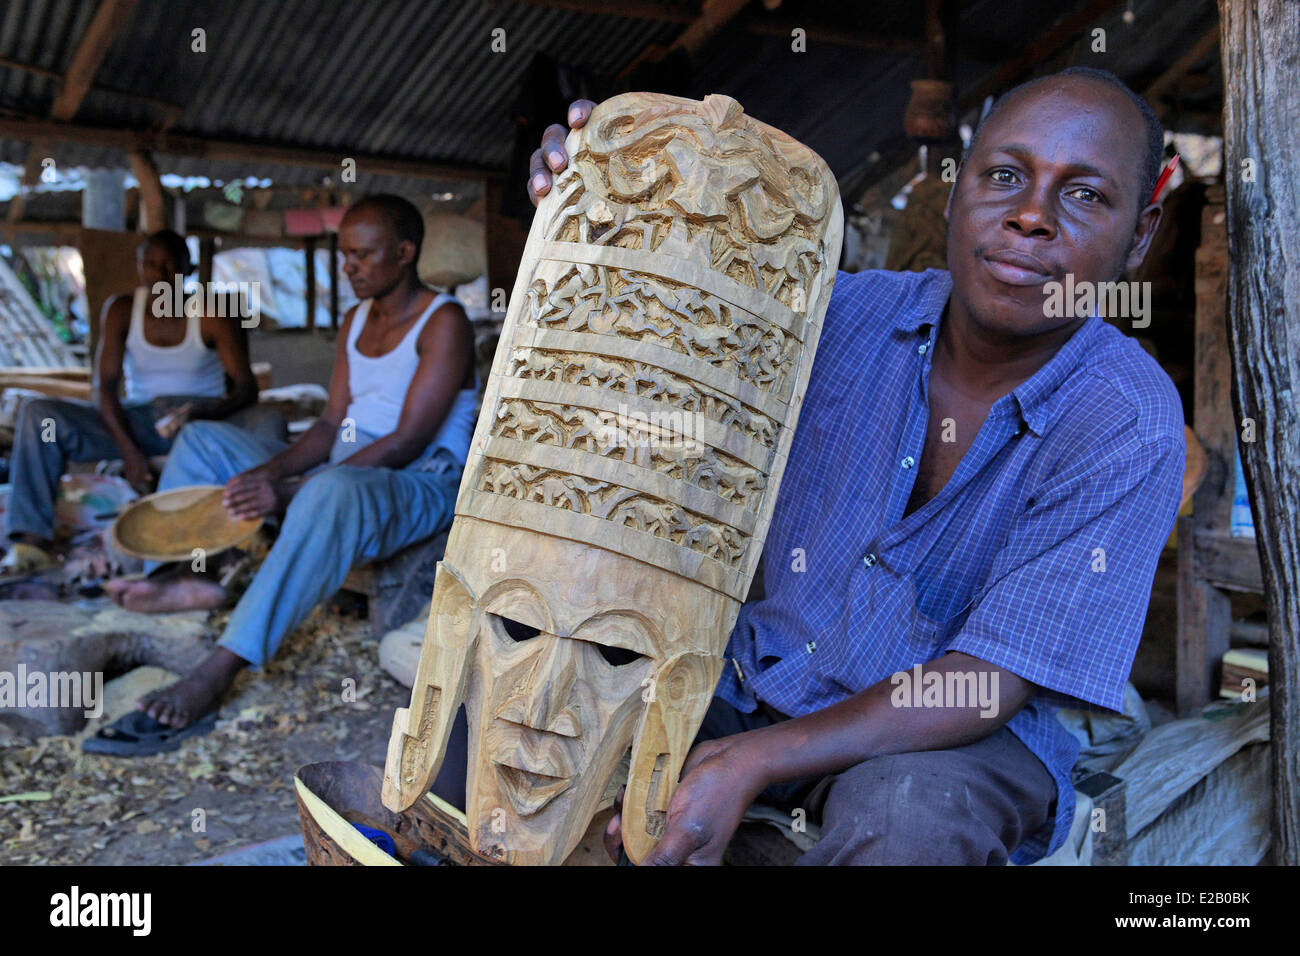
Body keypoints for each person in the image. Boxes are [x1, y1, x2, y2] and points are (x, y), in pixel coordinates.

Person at [484, 66, 1185, 865]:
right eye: (1004, 176)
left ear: (1140, 233)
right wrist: (605, 217)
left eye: (1085, 195)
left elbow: (986, 684)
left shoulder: (1126, 421)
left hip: (954, 738)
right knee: (532, 713)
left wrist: (753, 760)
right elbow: (661, 358)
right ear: (955, 197)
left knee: (908, 819)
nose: (1030, 216)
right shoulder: (832, 315)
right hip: (753, 679)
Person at [93, 194, 478, 748]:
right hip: (348, 468)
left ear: (404, 253)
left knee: (330, 489)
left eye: (364, 255)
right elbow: (326, 426)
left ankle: (218, 669)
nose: (350, 267)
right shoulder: (353, 322)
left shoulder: (446, 322)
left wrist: (297, 488)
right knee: (203, 440)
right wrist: (272, 476)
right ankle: (187, 573)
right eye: (345, 254)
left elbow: (410, 438)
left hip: (420, 482)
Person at [1, 230, 260, 580]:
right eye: (151, 264)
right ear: (139, 268)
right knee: (39, 415)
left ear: (190, 269)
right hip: (138, 420)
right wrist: (129, 453)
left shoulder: (212, 313)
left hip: (197, 425)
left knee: (258, 430)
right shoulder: (122, 310)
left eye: (171, 265)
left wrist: (202, 412)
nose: (161, 274)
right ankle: (31, 543)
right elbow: (104, 389)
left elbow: (246, 389)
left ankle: (219, 550)